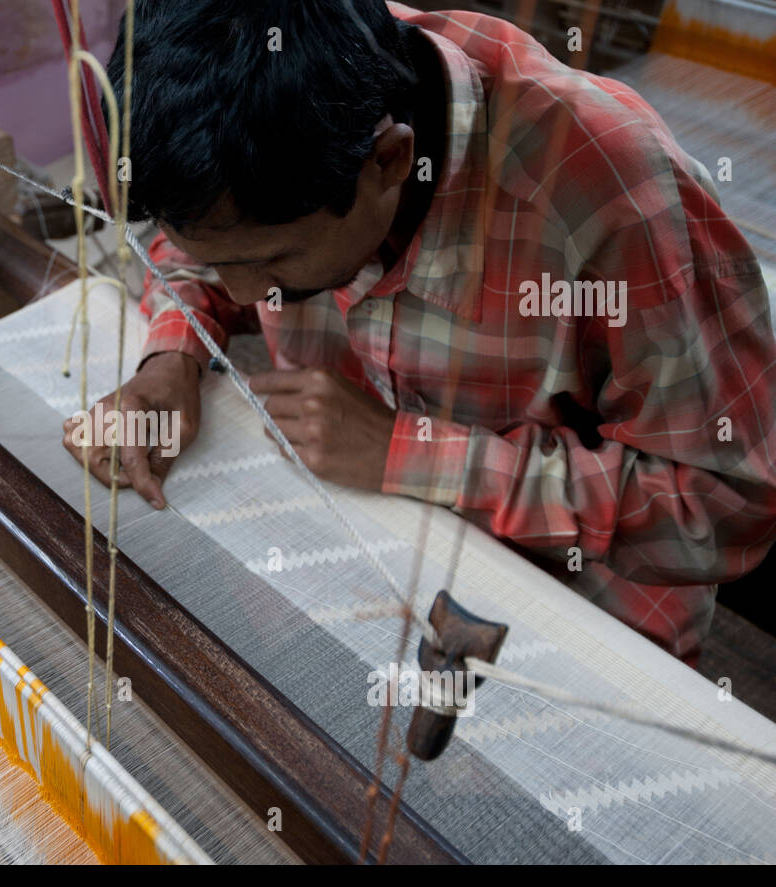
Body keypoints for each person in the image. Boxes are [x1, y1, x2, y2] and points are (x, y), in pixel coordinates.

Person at [61, 0, 776, 663]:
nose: (242, 293)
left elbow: (727, 502)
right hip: (367, 567)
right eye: (227, 265)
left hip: (572, 631)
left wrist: (410, 453)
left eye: (274, 261)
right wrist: (170, 359)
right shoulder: (276, 93)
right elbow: (197, 250)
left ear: (390, 160)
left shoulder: (613, 194)